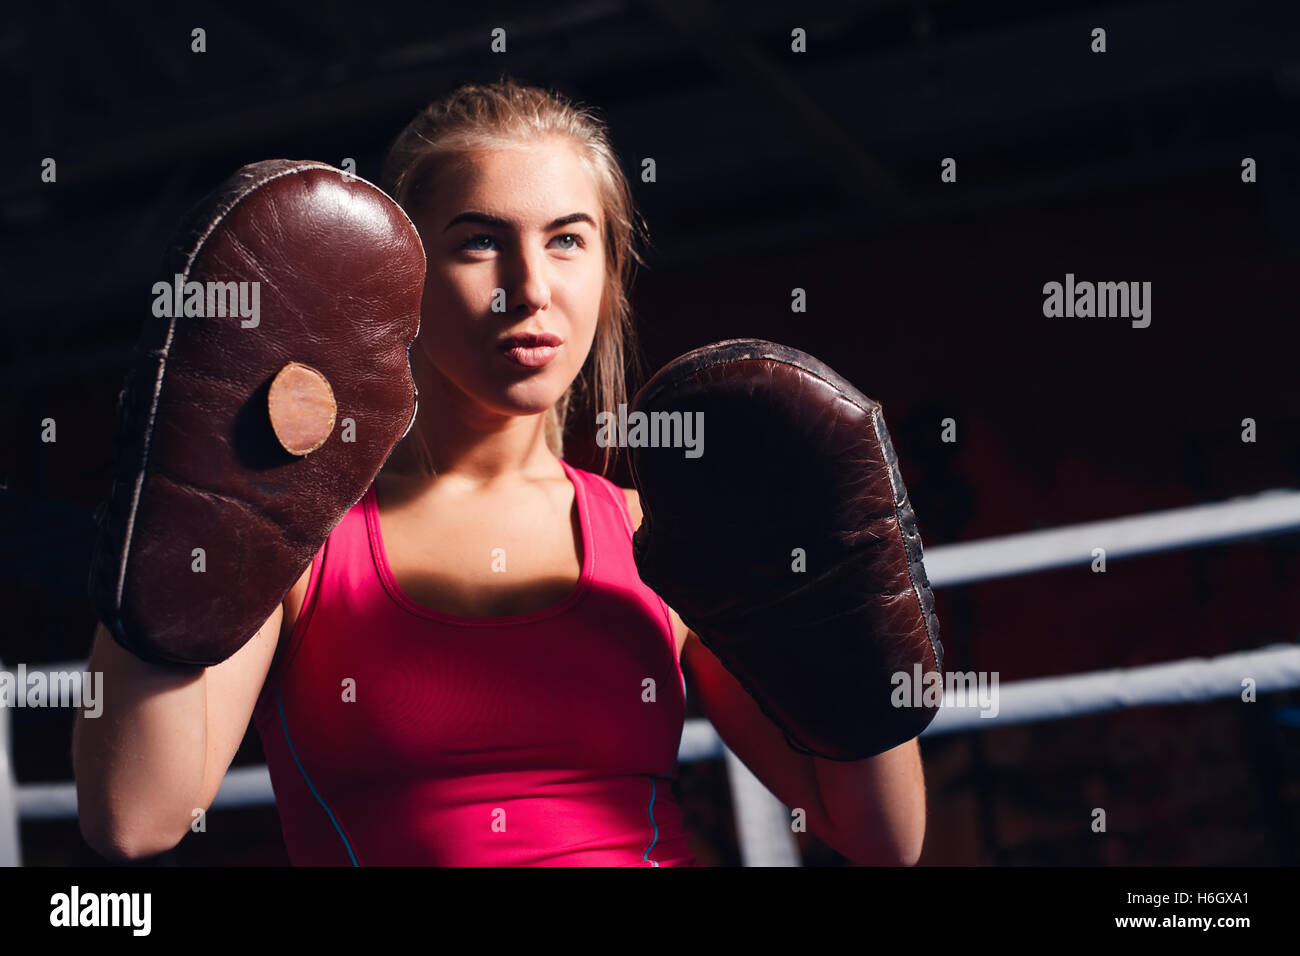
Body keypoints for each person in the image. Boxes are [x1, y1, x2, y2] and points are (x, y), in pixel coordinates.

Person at [73, 78, 927, 866]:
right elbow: (135, 819)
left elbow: (881, 838)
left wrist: (849, 600)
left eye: (566, 240)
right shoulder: (302, 537)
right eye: (480, 242)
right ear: (401, 280)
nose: (529, 287)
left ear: (607, 271)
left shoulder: (656, 533)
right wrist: (185, 489)